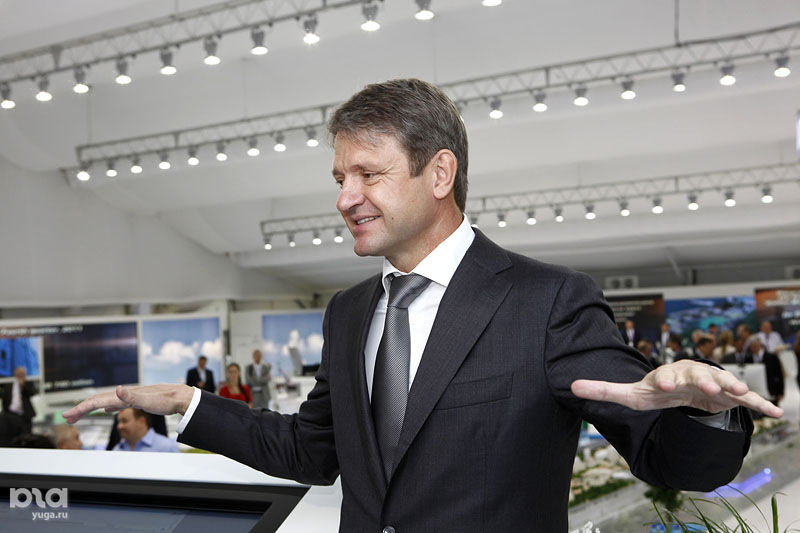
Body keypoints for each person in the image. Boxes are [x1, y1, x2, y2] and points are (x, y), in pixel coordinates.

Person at [65, 79, 781, 532]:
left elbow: (672, 461)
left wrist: (700, 409)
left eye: (368, 173)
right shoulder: (349, 313)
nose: (345, 197)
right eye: (340, 177)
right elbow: (312, 450)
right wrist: (188, 404)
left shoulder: (546, 301)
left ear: (440, 174)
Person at [112, 407, 179, 452]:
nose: (119, 426)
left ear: (141, 421)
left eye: (124, 421)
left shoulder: (166, 447)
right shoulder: (117, 449)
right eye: (118, 422)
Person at [748, 338, 784, 407]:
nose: (753, 348)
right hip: (755, 393)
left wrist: (781, 392)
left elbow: (779, 375)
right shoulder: (748, 359)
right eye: (751, 346)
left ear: (760, 345)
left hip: (771, 392)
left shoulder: (772, 357)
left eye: (755, 345)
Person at [1, 366, 37, 434]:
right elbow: (5, 399)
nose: (20, 375)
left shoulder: (28, 383)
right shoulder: (9, 385)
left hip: (25, 415)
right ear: (16, 374)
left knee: (27, 434)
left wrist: (23, 385)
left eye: (22, 373)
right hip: (11, 415)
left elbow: (32, 392)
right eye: (19, 373)